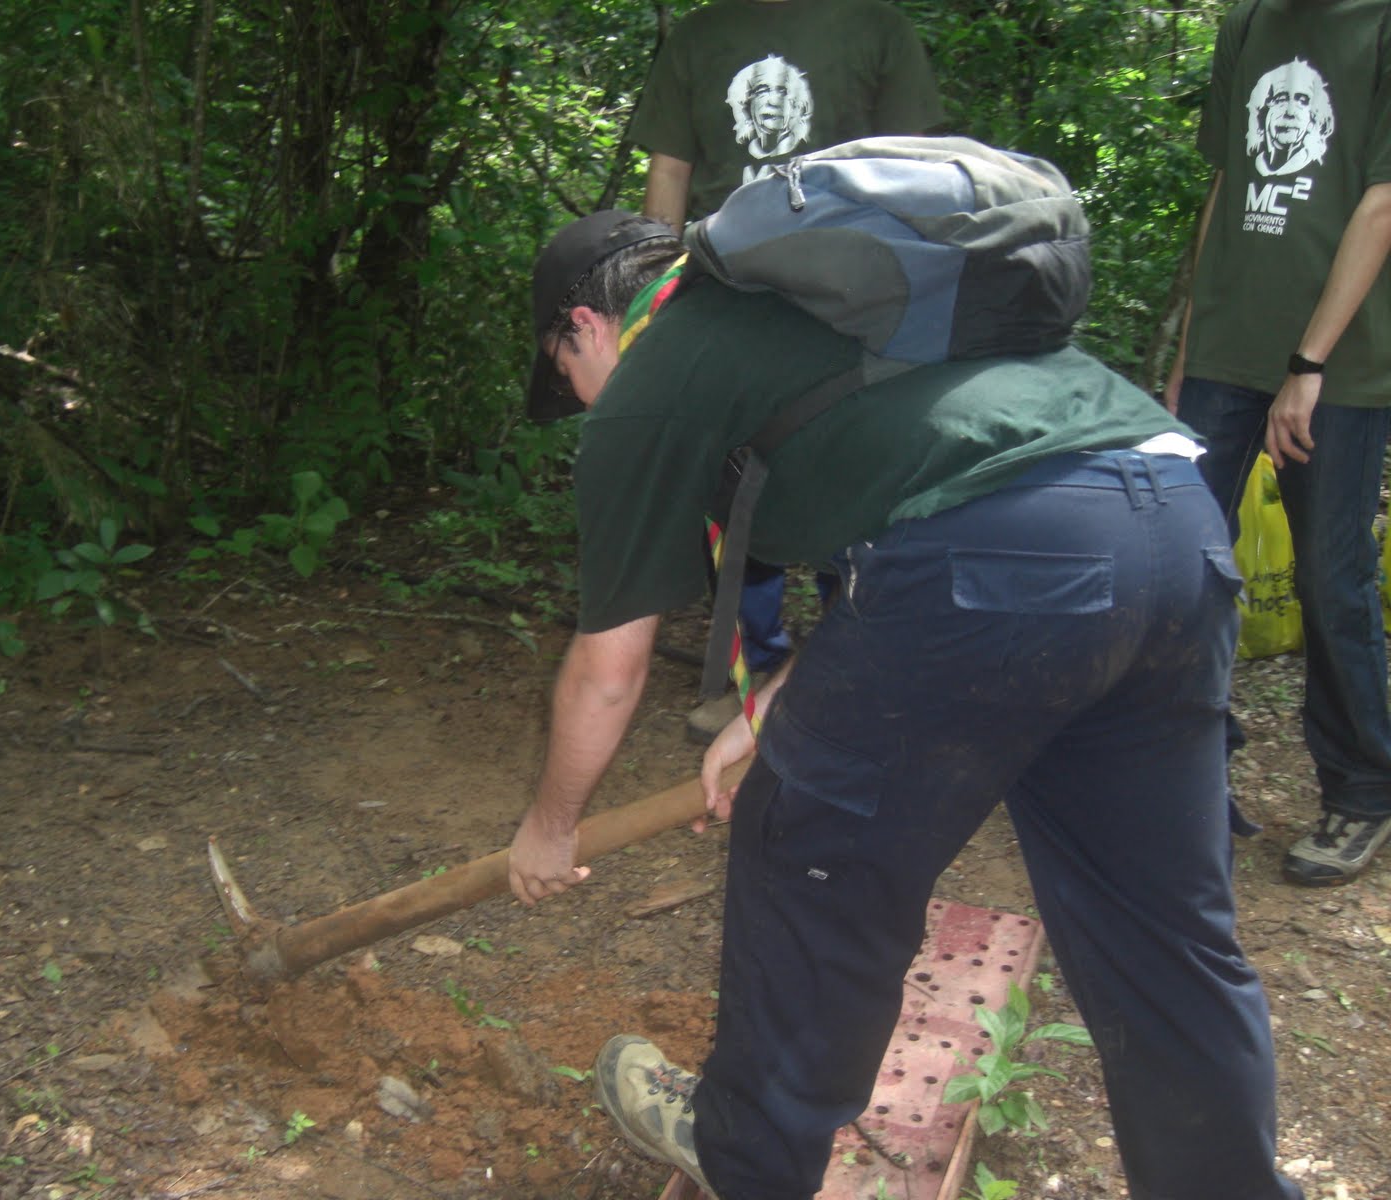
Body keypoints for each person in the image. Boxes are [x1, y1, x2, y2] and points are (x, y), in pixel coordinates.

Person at [509, 208, 1300, 1200]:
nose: (583, 405)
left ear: (582, 325)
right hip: (1169, 522)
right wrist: (778, 706)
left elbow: (608, 668)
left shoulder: (654, 372)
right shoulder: (815, 309)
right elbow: (906, 493)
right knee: (1161, 930)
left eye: (565, 378)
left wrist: (549, 829)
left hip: (1001, 561)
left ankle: (745, 1152)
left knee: (805, 850)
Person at [627, 0, 946, 741]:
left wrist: (918, 295)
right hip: (727, 301)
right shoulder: (701, 36)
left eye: (783, 97)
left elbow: (915, 167)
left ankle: (850, 662)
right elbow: (669, 173)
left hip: (848, 305)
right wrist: (654, 297)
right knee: (733, 491)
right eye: (758, 98)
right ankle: (747, 674)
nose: (771, 107)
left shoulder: (874, 26)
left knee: (856, 483)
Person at [1165, 0, 1391, 886]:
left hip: (1341, 363)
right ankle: (1190, 762)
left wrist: (1310, 362)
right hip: (1229, 352)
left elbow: (1381, 202)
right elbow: (1226, 186)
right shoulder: (1250, 21)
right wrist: (1191, 346)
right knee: (1179, 557)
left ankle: (1364, 788)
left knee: (1330, 579)